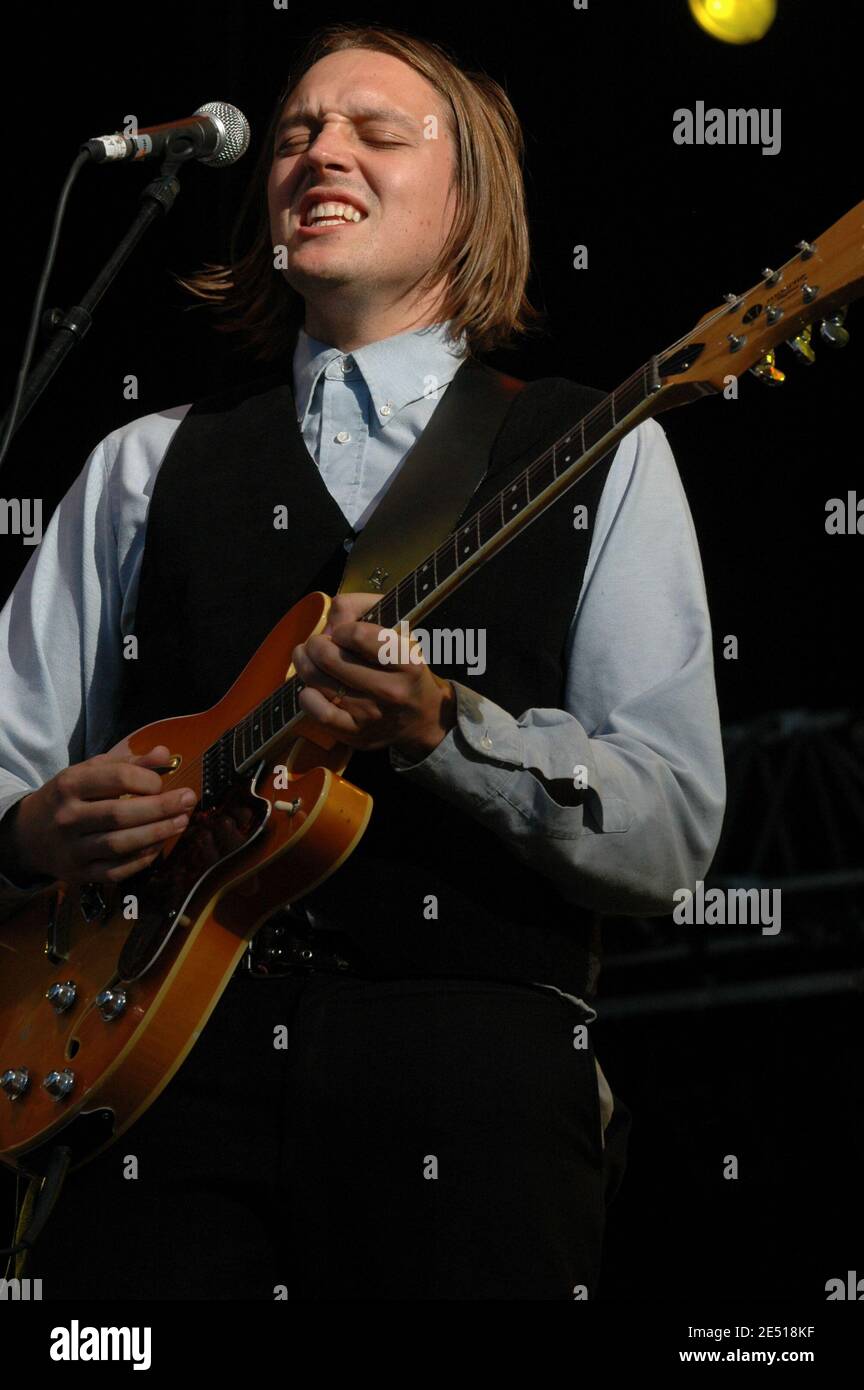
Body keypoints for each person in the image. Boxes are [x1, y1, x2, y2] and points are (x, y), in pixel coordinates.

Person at [0, 23, 725, 1300]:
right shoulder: (143, 462)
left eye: (378, 132)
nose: (319, 149)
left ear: (472, 200)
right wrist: (33, 832)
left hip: (476, 1084)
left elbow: (669, 832)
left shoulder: (603, 447)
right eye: (295, 133)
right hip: (159, 1079)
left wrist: (454, 730)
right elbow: (10, 759)